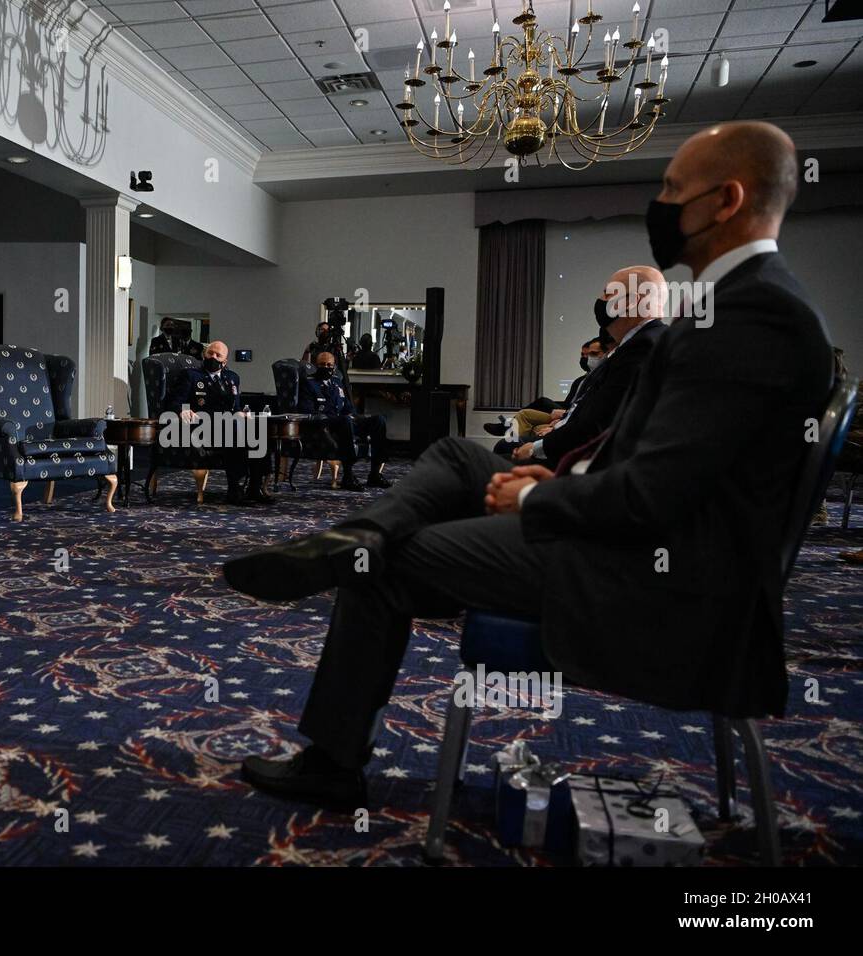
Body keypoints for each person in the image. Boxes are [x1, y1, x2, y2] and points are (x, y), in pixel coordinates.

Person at [223, 121, 832, 810]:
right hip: (636, 545)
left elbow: (657, 497)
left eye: (671, 188)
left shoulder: (753, 315)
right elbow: (666, 466)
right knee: (452, 458)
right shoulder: (744, 303)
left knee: (385, 563)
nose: (659, 203)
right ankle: (356, 536)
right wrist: (558, 479)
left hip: (658, 582)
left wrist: (537, 502)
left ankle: (334, 747)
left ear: (726, 199)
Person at [509, 267, 668, 464]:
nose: (600, 300)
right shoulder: (640, 343)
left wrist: (535, 449)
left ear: (629, 302)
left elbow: (597, 423)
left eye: (607, 293)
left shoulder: (642, 348)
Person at [165, 340, 273, 506]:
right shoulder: (191, 375)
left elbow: (235, 407)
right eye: (210, 353)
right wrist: (182, 410)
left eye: (218, 355)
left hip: (227, 424)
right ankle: (234, 490)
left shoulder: (232, 378)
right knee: (236, 431)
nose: (213, 357)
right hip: (201, 426)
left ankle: (255, 487)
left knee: (259, 430)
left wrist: (241, 414)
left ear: (225, 361)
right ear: (204, 354)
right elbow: (173, 402)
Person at [299, 352, 391, 491]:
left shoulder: (336, 382)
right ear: (316, 366)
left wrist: (354, 417)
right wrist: (342, 418)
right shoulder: (309, 383)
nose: (326, 367)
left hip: (345, 421)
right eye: (322, 364)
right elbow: (308, 411)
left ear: (334, 366)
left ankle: (375, 474)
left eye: (329, 365)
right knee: (345, 421)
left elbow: (347, 407)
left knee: (379, 420)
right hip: (327, 425)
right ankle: (348, 476)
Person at [484, 337, 607, 437]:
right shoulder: (579, 380)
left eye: (591, 355)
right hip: (567, 409)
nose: (586, 359)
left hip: (573, 414)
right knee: (528, 412)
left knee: (543, 402)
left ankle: (507, 427)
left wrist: (564, 415)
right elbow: (568, 402)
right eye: (583, 355)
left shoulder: (598, 379)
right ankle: (511, 430)